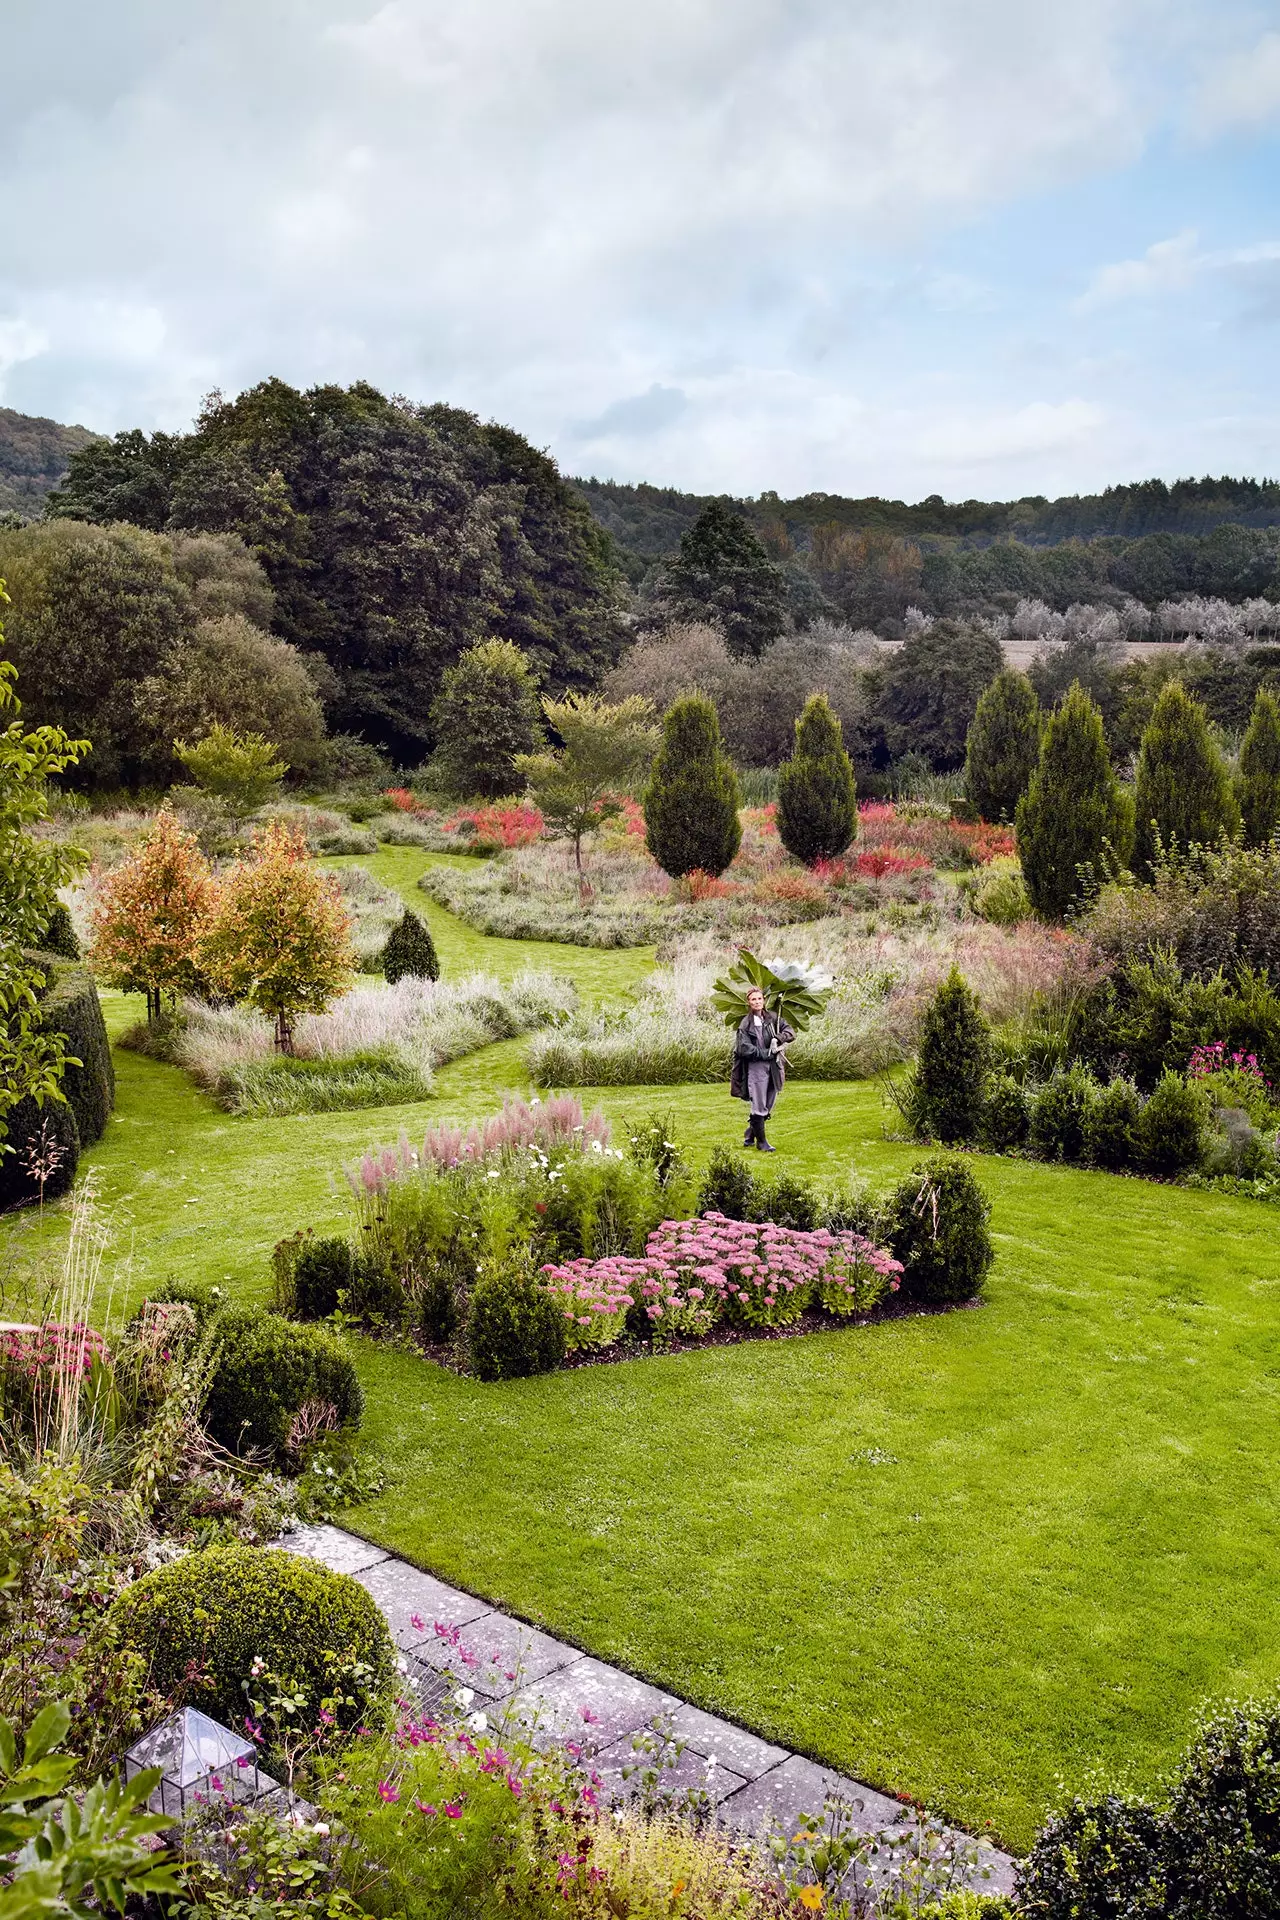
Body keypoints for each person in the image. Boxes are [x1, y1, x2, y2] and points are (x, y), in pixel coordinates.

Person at [730, 986, 794, 1152]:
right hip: (756, 1068)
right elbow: (744, 1049)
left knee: (770, 1102)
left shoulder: (773, 1018)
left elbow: (790, 1031)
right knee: (759, 1104)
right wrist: (766, 1052)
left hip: (774, 1066)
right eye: (753, 999)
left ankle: (750, 1134)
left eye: (759, 998)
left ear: (764, 1000)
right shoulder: (745, 1024)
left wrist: (778, 1038)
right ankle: (762, 1143)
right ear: (748, 1002)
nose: (757, 1002)